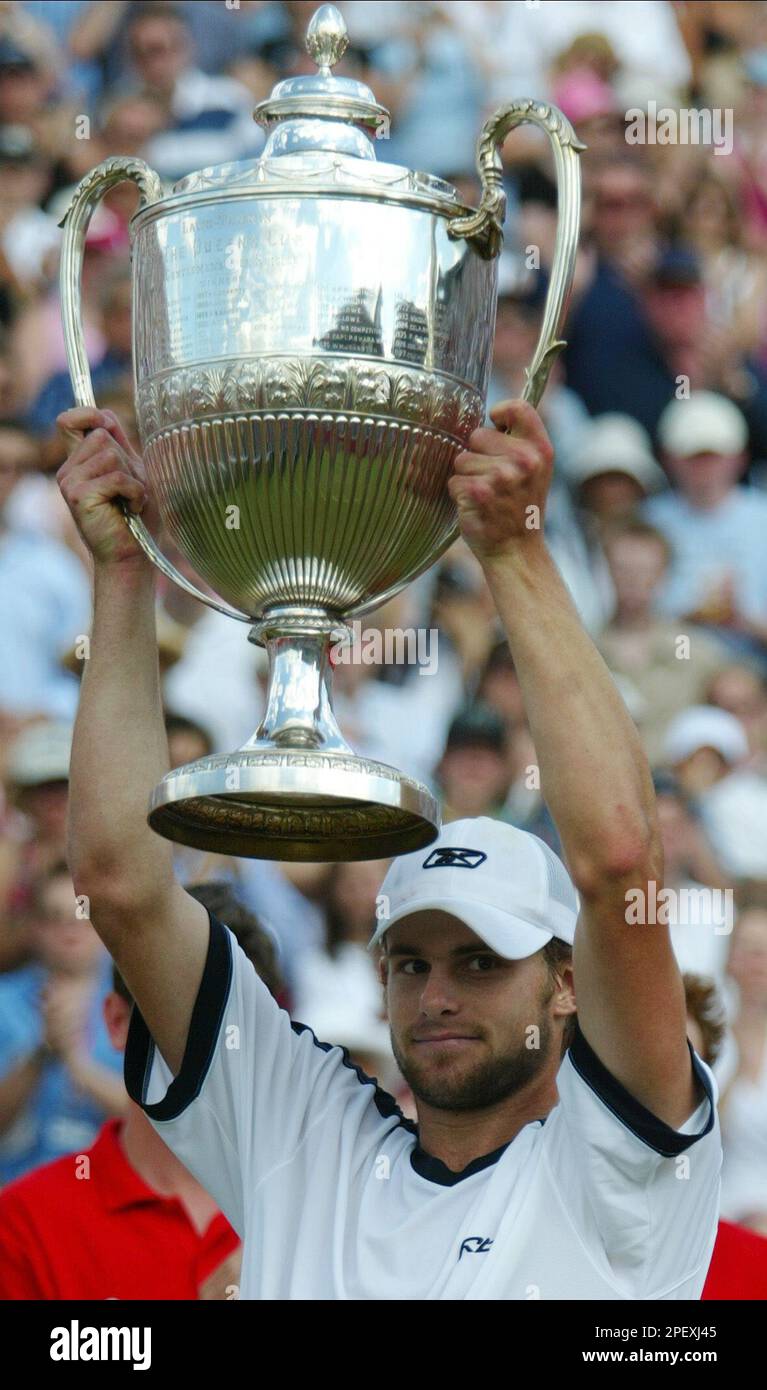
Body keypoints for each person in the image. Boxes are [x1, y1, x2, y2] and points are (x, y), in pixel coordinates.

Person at [56, 396, 721, 1300]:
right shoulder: (301, 1136)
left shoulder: (623, 1169)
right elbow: (121, 885)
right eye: (409, 964)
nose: (436, 997)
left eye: (481, 961)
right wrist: (126, 574)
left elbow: (613, 862)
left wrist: (512, 553)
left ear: (565, 984)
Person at [0, 879, 282, 1300]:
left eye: (238, 1014)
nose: (214, 1038)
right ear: (117, 1021)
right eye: (175, 1004)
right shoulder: (23, 1226)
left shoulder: (312, 1211)